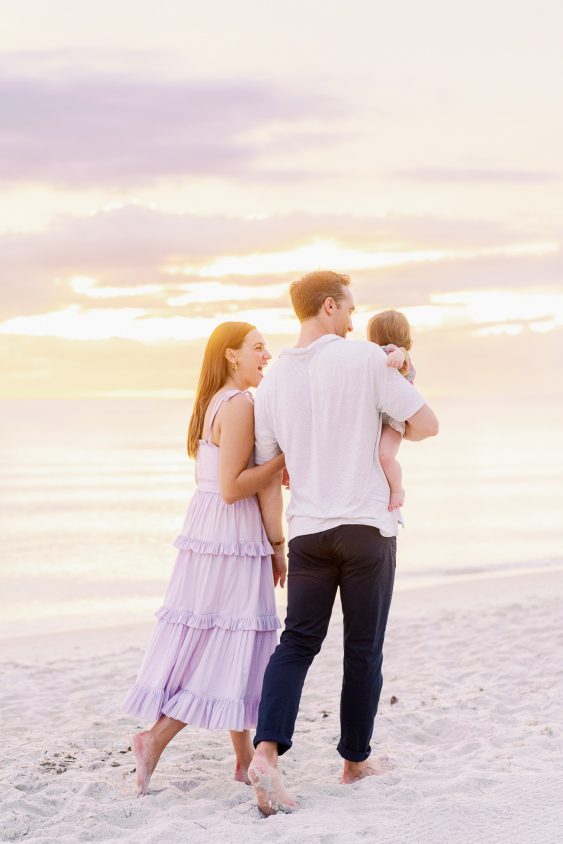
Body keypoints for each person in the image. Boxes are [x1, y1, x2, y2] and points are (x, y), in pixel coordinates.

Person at [247, 271, 439, 815]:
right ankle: (354, 762)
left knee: (298, 643)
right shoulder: (363, 360)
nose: (355, 319)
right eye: (349, 309)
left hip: (307, 530)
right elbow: (426, 424)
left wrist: (277, 541)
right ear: (329, 307)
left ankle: (267, 753)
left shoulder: (273, 381)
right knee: (363, 648)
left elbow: (269, 468)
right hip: (365, 527)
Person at [123, 322, 286, 795]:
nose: (266, 355)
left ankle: (241, 761)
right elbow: (236, 488)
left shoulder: (213, 401)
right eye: (258, 348)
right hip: (230, 535)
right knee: (225, 638)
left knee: (229, 634)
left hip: (211, 531)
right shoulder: (238, 405)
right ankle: (154, 738)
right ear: (232, 356)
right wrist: (282, 461)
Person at [367, 309, 416, 512]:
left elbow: (402, 355)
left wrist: (398, 354)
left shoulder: (395, 353)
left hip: (395, 419)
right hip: (378, 416)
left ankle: (397, 489)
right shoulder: (372, 355)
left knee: (385, 455)